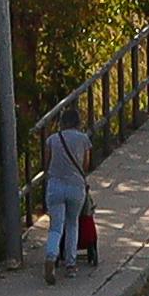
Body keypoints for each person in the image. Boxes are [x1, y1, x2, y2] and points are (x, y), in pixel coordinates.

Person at [39, 110, 97, 278]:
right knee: (72, 224)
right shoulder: (84, 139)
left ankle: (51, 256)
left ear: (62, 123)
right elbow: (86, 165)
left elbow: (46, 165)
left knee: (56, 226)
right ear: (78, 122)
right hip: (76, 187)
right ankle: (71, 265)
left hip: (55, 186)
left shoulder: (52, 140)